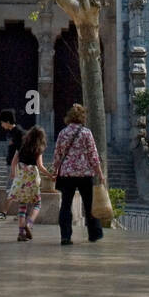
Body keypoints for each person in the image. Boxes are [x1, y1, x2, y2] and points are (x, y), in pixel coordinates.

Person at [52, 103, 105, 246]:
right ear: (82, 117)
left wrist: (55, 170)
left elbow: (57, 154)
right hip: (84, 173)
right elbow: (93, 155)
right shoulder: (86, 133)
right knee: (89, 204)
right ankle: (94, 234)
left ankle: (65, 236)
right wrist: (100, 173)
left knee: (66, 204)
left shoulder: (63, 133)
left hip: (67, 174)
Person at [7, 126, 49, 241]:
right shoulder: (38, 149)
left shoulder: (21, 147)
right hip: (32, 179)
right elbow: (40, 166)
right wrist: (50, 175)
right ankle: (29, 224)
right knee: (37, 204)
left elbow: (13, 162)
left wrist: (13, 174)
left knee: (22, 206)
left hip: (21, 178)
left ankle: (21, 233)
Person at [0, 108, 26, 216]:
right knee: (17, 189)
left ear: (8, 122)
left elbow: (20, 151)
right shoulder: (10, 133)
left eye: (2, 122)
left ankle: (3, 212)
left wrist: (14, 167)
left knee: (11, 188)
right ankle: (22, 214)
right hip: (11, 163)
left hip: (15, 165)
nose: (1, 125)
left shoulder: (18, 132)